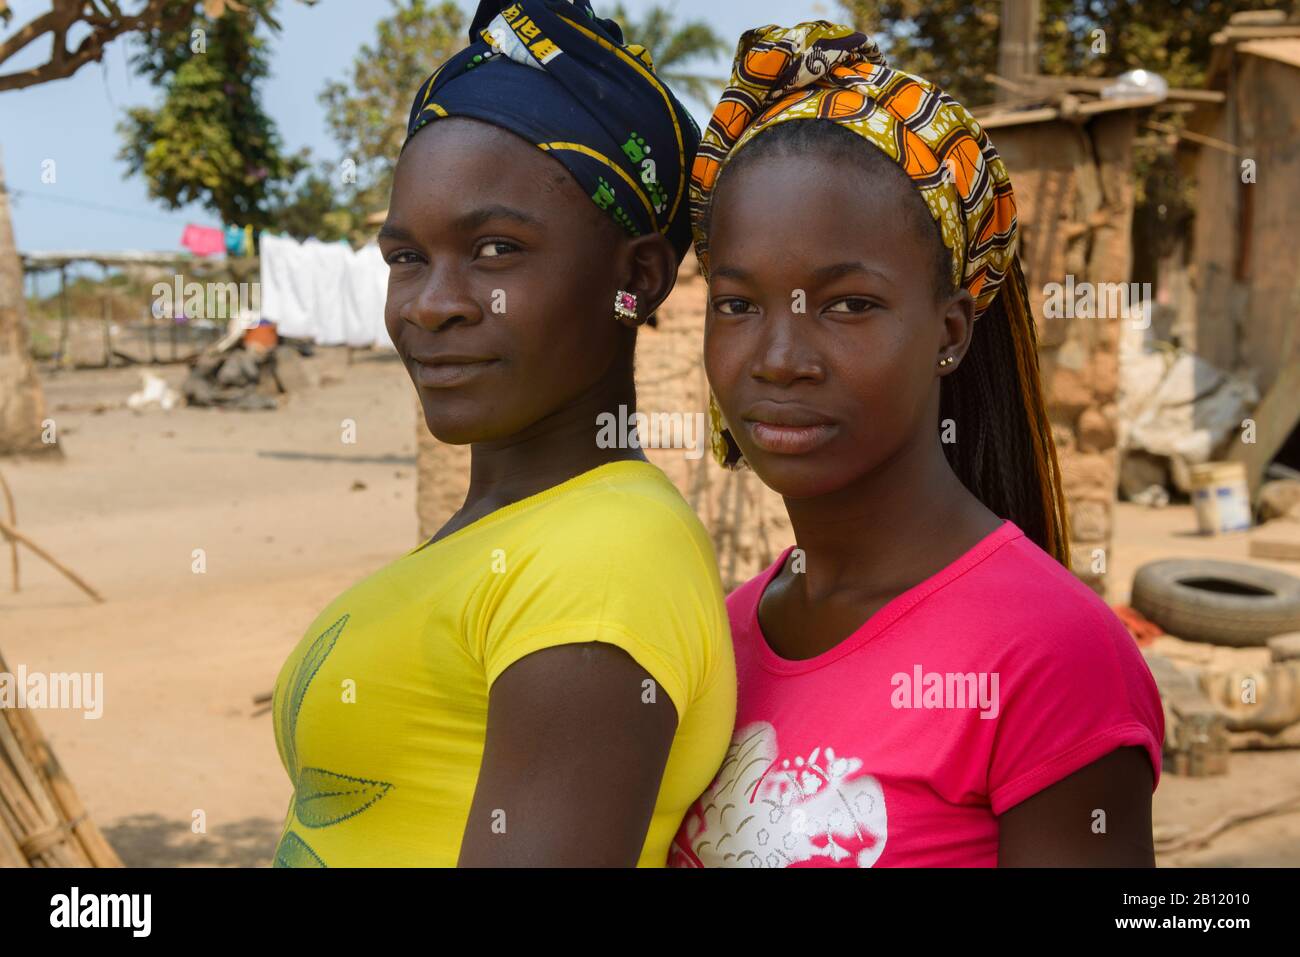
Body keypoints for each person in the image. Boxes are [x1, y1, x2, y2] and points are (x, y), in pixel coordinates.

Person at [669, 22, 1164, 868]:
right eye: (739, 304)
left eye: (848, 304)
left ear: (950, 330)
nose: (779, 359)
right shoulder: (723, 640)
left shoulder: (1054, 659)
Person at [271, 0, 734, 868]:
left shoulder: (602, 557)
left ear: (636, 277)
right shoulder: (511, 531)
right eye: (406, 257)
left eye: (493, 251)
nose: (431, 303)